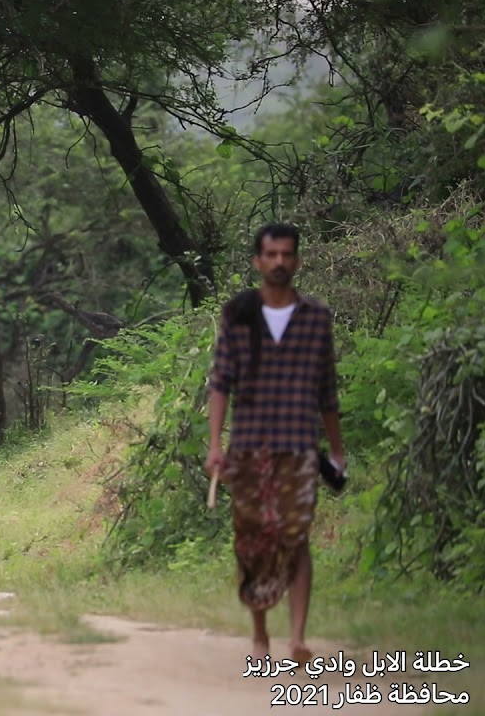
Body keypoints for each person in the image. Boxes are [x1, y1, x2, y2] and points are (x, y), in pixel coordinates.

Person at [205, 222, 346, 664]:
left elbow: (327, 390)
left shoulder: (316, 318)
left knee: (296, 533)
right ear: (258, 261)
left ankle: (298, 637)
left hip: (299, 445)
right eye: (272, 255)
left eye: (287, 254)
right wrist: (215, 446)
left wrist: (337, 450)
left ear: (298, 261)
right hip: (248, 447)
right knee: (253, 539)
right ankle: (260, 634)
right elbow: (220, 383)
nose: (280, 262)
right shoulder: (238, 314)